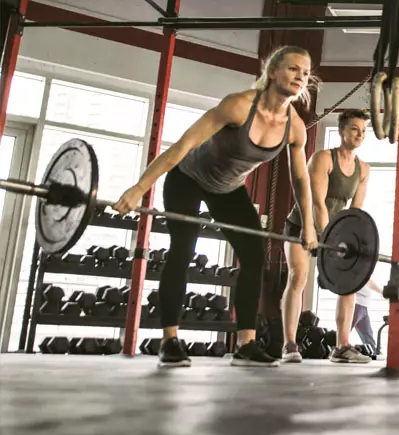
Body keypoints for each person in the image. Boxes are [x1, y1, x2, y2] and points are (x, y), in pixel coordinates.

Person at [113, 45, 318, 368]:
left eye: (305, 73)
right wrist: (140, 188)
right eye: (293, 69)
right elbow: (183, 146)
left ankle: (246, 345)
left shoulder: (294, 127)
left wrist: (308, 225)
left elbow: (301, 181)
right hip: (188, 178)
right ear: (274, 70)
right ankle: (169, 340)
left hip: (228, 189)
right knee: (183, 247)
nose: (300, 77)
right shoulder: (238, 106)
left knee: (254, 254)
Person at [280, 109, 372, 364]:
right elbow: (317, 203)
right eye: (354, 129)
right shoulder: (322, 159)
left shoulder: (363, 169)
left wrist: (350, 243)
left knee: (349, 285)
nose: (359, 135)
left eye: (363, 131)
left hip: (335, 232)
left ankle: (342, 346)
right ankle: (289, 344)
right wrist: (325, 242)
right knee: (298, 278)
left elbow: (355, 212)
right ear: (342, 131)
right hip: (302, 225)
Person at [351, 278, 384, 356]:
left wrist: (382, 292)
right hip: (356, 306)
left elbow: (369, 281)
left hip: (363, 307)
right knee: (346, 330)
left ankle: (375, 352)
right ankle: (335, 349)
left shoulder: (364, 275)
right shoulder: (355, 273)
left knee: (367, 333)